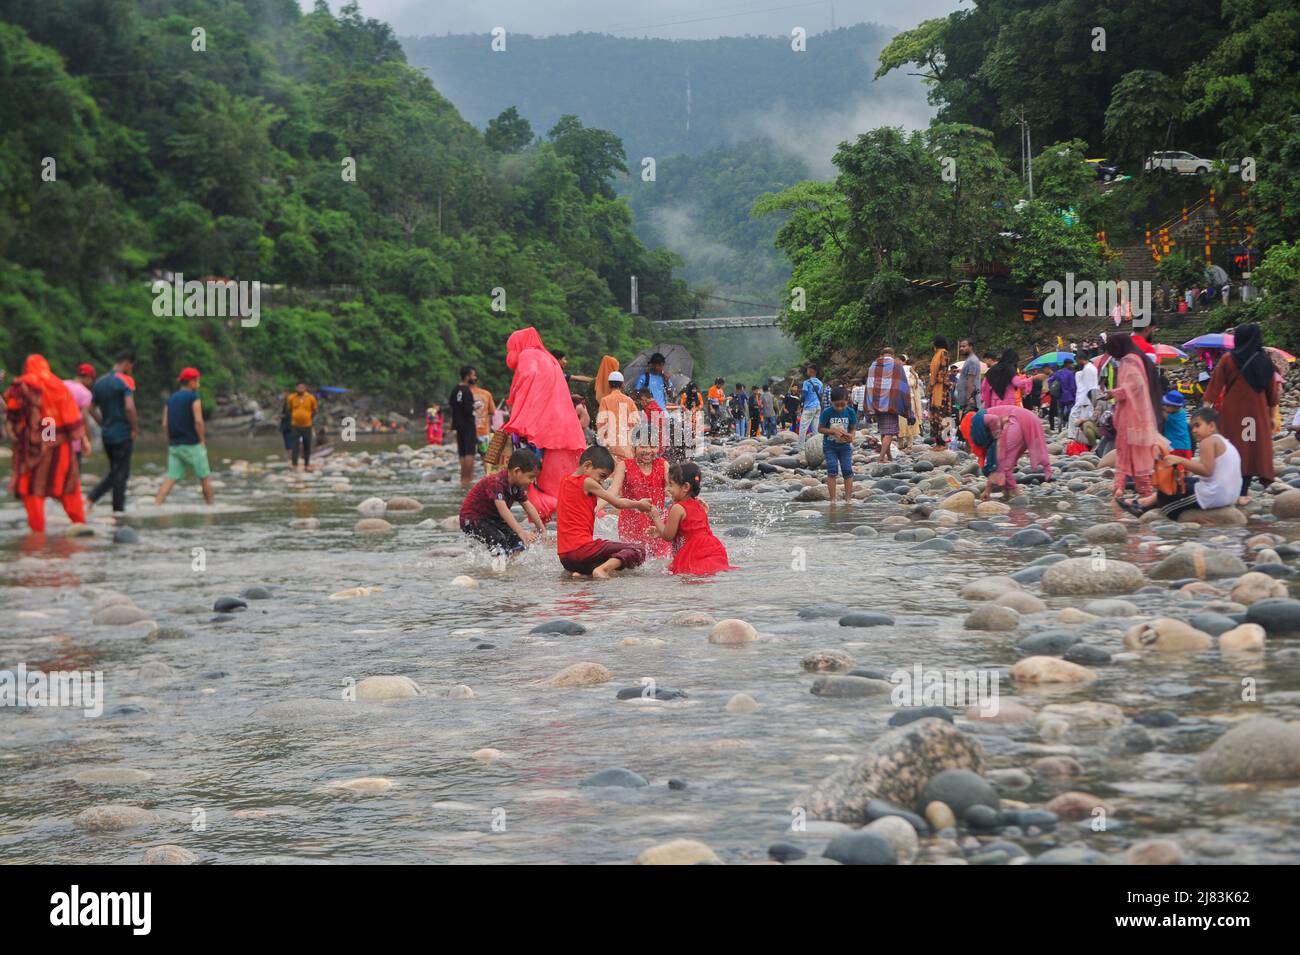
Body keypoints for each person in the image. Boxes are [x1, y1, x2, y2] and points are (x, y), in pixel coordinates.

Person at [500, 327, 588, 522]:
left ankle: (538, 521)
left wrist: (517, 416)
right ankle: (557, 516)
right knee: (549, 474)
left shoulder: (528, 355)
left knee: (529, 476)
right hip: (559, 426)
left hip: (538, 427)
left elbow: (527, 379)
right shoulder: (548, 358)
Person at [4, 354, 87, 533]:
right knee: (68, 487)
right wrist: (83, 440)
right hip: (60, 446)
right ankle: (79, 523)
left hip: (32, 447)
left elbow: (13, 412)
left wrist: (13, 432)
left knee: (32, 489)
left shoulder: (22, 385)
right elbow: (71, 416)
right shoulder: (59, 386)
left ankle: (37, 532)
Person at [1201, 323, 1278, 505]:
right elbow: (1272, 393)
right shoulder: (1265, 361)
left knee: (1231, 447)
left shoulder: (1228, 359)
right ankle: (1242, 491)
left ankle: (1230, 488)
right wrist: (1273, 416)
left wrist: (1205, 412)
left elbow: (1215, 386)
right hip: (1253, 416)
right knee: (1249, 448)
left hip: (1232, 414)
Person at [555, 445, 653, 578]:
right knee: (638, 549)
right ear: (587, 465)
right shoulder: (587, 482)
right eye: (601, 476)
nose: (601, 482)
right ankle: (603, 570)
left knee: (603, 557)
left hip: (566, 558)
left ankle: (581, 573)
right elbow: (618, 503)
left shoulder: (564, 480)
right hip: (582, 549)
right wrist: (638, 504)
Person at [1133, 407, 1241, 519]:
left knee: (1165, 495)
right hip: (1230, 495)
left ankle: (1144, 506)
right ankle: (1144, 502)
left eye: (1197, 425)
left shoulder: (1208, 441)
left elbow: (1207, 470)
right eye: (1192, 427)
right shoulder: (1226, 442)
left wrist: (1181, 460)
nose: (1193, 430)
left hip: (1215, 495)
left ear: (1211, 426)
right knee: (1182, 482)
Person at [1105, 333, 1165, 501]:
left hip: (1130, 415)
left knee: (1126, 452)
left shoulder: (1128, 360)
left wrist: (1114, 393)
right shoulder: (1138, 358)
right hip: (1138, 415)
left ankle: (1121, 489)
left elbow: (1135, 384)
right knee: (1137, 454)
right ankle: (1141, 491)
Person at [649, 461, 734, 575]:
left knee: (687, 580)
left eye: (671, 484)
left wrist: (655, 517)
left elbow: (668, 536)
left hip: (693, 552)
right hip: (713, 548)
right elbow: (690, 528)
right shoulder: (699, 504)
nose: (667, 489)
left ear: (685, 487)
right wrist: (659, 531)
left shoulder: (677, 508)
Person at [459, 448, 546, 555]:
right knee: (499, 542)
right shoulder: (496, 482)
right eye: (531, 477)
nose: (532, 482)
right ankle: (499, 571)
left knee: (517, 542)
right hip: (472, 518)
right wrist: (521, 532)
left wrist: (542, 530)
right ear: (517, 471)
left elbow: (528, 506)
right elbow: (503, 510)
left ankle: (511, 567)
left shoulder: (516, 486)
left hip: (493, 519)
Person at [961, 406, 1053, 500]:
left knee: (1004, 463)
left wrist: (998, 438)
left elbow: (999, 463)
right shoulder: (985, 419)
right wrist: (988, 490)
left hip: (1016, 420)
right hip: (1028, 418)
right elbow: (996, 464)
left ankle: (1018, 497)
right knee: (1007, 462)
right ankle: (1008, 492)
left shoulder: (976, 421)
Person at [154, 367, 215, 506]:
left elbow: (165, 423)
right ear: (191, 382)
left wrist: (171, 440)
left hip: (175, 446)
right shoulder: (194, 397)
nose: (198, 384)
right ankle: (211, 507)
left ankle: (156, 505)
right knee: (205, 477)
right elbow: (198, 421)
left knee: (170, 478)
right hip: (192, 444)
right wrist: (202, 440)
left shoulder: (171, 399)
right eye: (197, 381)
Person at [87, 351, 138, 514]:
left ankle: (91, 499)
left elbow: (90, 408)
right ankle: (118, 509)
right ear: (126, 363)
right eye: (131, 366)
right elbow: (129, 407)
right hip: (122, 433)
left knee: (115, 471)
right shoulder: (125, 381)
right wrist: (134, 428)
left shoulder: (99, 382)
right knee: (121, 473)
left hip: (107, 434)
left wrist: (102, 423)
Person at [609, 441, 670, 558]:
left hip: (657, 521)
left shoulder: (663, 464)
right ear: (634, 447)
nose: (648, 451)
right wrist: (595, 507)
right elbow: (613, 491)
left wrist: (691, 499)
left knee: (661, 561)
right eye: (643, 446)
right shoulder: (624, 465)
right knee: (634, 559)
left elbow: (673, 488)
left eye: (653, 446)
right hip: (631, 523)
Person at [863, 347, 914, 463]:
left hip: (876, 404)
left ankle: (889, 456)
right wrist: (906, 407)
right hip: (891, 404)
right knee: (890, 432)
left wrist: (869, 405)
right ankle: (881, 458)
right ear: (893, 354)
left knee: (884, 431)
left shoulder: (873, 365)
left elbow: (870, 385)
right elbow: (902, 386)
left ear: (881, 355)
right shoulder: (896, 365)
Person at [818, 386, 858, 504]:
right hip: (830, 446)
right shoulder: (827, 412)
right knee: (832, 470)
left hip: (845, 446)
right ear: (831, 403)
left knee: (847, 470)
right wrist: (833, 431)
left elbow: (853, 429)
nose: (840, 408)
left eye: (843, 405)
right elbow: (820, 429)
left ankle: (848, 499)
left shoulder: (850, 412)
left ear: (847, 401)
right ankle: (833, 500)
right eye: (837, 405)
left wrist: (851, 436)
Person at [596, 370, 639, 460]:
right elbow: (636, 422)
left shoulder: (605, 400)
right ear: (622, 385)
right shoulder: (629, 400)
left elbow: (601, 424)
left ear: (609, 385)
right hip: (626, 442)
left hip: (611, 442)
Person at [448, 367, 478, 486]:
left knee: (462, 452)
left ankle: (462, 478)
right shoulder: (467, 391)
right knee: (470, 452)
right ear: (467, 377)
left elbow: (451, 404)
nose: (475, 378)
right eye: (473, 375)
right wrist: (475, 407)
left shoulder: (455, 390)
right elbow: (468, 409)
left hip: (458, 425)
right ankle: (468, 478)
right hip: (468, 424)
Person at [63, 363, 96, 461]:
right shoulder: (86, 393)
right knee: (73, 473)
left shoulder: (61, 385)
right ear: (89, 378)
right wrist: (88, 440)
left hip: (57, 439)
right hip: (74, 440)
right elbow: (83, 417)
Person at [286, 381, 318, 472]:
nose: (300, 389)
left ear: (305, 388)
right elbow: (289, 409)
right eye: (298, 387)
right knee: (295, 445)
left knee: (307, 445)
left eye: (302, 387)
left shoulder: (311, 398)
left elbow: (314, 410)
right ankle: (294, 464)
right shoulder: (291, 397)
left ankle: (307, 464)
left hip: (307, 425)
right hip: (295, 425)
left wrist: (308, 418)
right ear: (296, 388)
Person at [928, 336, 951, 445]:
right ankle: (938, 441)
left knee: (941, 413)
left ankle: (943, 442)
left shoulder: (943, 353)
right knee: (935, 414)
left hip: (941, 388)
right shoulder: (937, 354)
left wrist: (934, 382)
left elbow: (943, 370)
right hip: (936, 387)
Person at [898, 358, 923, 450]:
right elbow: (911, 383)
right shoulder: (910, 374)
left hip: (905, 399)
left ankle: (908, 444)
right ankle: (903, 444)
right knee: (905, 421)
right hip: (907, 400)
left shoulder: (908, 374)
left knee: (907, 421)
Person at [472, 380, 497, 467]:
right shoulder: (486, 394)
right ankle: (487, 476)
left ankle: (467, 478)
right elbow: (492, 411)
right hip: (483, 430)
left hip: (467, 432)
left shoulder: (462, 394)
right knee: (484, 455)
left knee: (468, 455)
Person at [1161, 391, 1193, 459]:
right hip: (1186, 446)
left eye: (1167, 405)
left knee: (1173, 467)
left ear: (1176, 407)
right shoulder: (1182, 412)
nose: (1165, 406)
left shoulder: (1172, 417)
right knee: (1184, 468)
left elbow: (1161, 412)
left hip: (1176, 447)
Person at [1047, 358, 1077, 430]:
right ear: (1067, 364)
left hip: (1059, 396)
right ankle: (1067, 427)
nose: (1072, 366)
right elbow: (1072, 386)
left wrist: (1052, 389)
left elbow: (1049, 380)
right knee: (1070, 412)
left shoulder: (1058, 372)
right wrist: (1074, 394)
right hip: (1069, 396)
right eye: (1071, 364)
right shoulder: (1070, 373)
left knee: (1060, 412)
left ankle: (1060, 428)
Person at [798, 366, 823, 449]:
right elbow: (820, 394)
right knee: (815, 427)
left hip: (809, 407)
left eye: (808, 370)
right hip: (817, 406)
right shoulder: (820, 383)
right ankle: (817, 446)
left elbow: (804, 394)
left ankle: (801, 446)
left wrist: (800, 403)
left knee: (803, 426)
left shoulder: (807, 382)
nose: (806, 372)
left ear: (812, 371)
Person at [953, 340, 981, 414]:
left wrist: (969, 398)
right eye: (960, 347)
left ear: (971, 347)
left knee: (969, 423)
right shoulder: (969, 360)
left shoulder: (972, 361)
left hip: (970, 401)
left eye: (964, 346)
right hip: (965, 400)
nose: (961, 348)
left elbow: (971, 381)